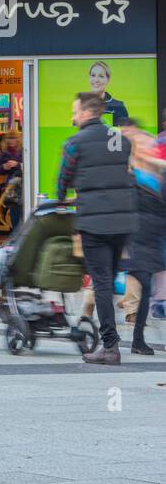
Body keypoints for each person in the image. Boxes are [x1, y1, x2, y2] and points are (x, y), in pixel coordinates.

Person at [58, 92, 138, 365]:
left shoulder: (75, 143)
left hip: (95, 224)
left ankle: (110, 347)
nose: (73, 117)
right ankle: (109, 342)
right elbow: (125, 171)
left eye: (75, 112)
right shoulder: (120, 139)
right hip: (123, 223)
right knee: (108, 281)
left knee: (101, 283)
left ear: (86, 112)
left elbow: (64, 178)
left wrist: (62, 198)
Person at [121, 119, 166, 355]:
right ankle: (129, 339)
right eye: (143, 144)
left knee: (147, 288)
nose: (149, 147)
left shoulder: (158, 174)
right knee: (141, 283)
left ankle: (138, 340)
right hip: (134, 236)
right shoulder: (129, 174)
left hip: (153, 236)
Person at [0, 129, 24, 234]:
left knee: (23, 212)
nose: (11, 141)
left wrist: (17, 165)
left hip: (23, 186)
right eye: (9, 138)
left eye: (13, 138)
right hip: (12, 189)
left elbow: (30, 165)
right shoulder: (4, 154)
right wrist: (4, 167)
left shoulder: (23, 151)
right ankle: (17, 235)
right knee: (14, 213)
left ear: (18, 139)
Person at [87, 60, 129, 126]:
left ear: (108, 80)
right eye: (93, 75)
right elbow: (76, 130)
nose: (96, 80)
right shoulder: (81, 105)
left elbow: (126, 131)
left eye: (101, 76)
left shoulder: (118, 106)